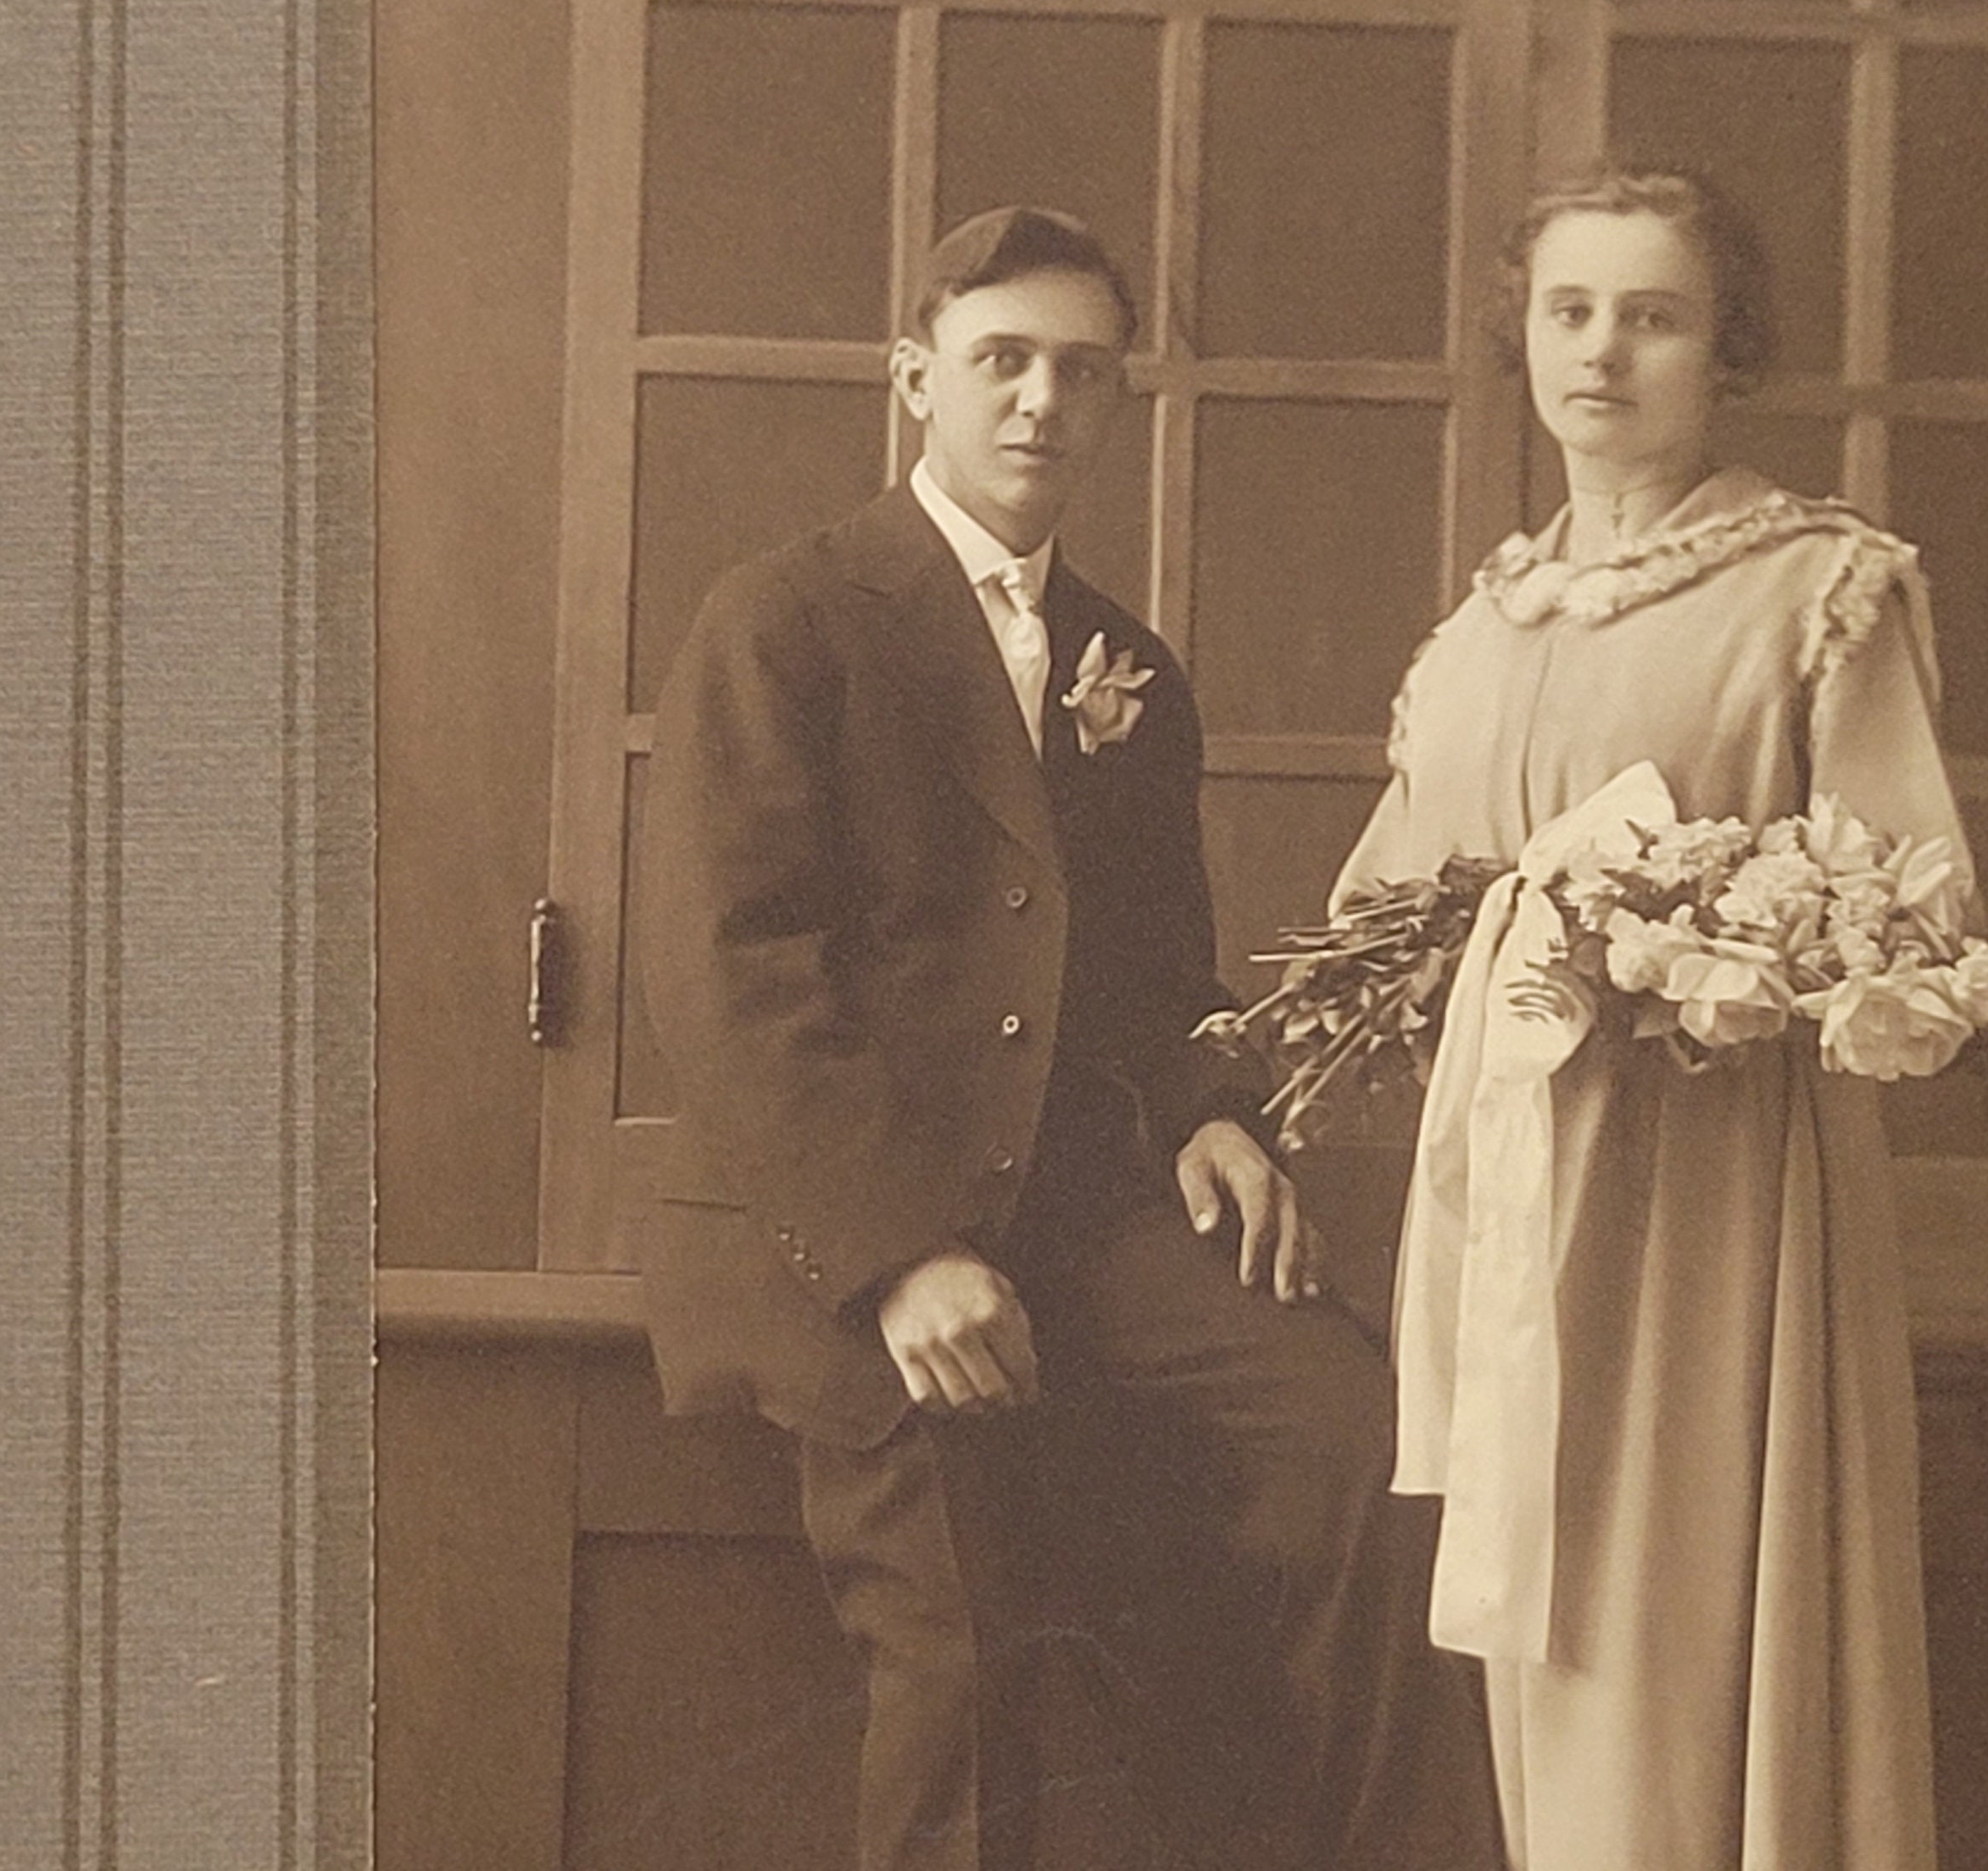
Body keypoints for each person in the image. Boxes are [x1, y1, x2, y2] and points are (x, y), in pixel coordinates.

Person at [636, 205, 1505, 1871]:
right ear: (919, 381)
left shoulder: (1132, 668)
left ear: (1115, 403)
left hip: (1080, 1220)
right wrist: (902, 1263)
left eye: (1080, 371)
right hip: (847, 1233)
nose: (1040, 400)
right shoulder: (791, 621)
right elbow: (731, 974)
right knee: (965, 1640)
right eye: (1002, 361)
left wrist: (1207, 1110)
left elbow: (1155, 972)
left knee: (1358, 1446)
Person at [1332, 166, 1970, 1871]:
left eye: (1654, 315)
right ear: (1523, 335)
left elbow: (1920, 912)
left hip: (1715, 1211)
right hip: (1519, 1208)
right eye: (1569, 310)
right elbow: (1387, 918)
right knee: (1548, 1628)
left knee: (1686, 1626)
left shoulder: (1816, 590)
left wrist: (1712, 936)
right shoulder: (1477, 632)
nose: (1602, 351)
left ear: (1724, 349)